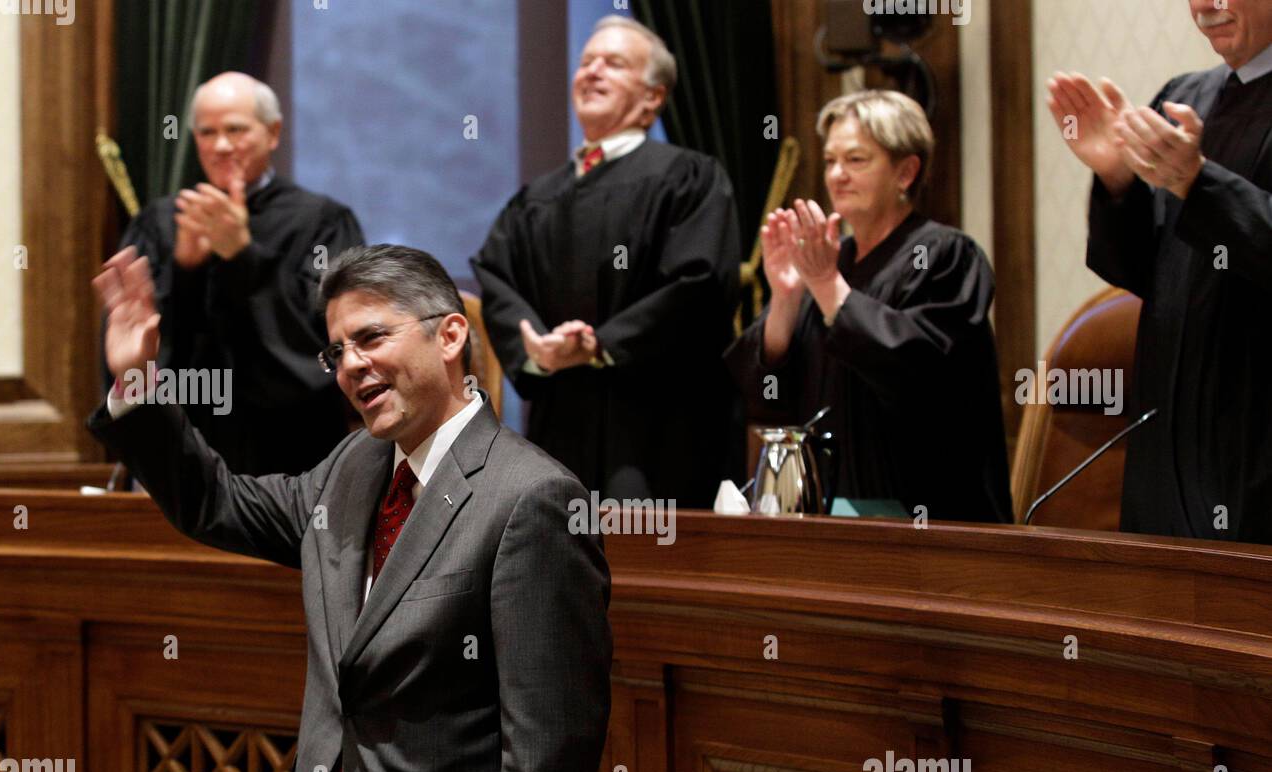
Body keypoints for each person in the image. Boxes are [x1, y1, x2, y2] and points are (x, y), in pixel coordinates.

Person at [88, 243, 612, 772]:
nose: (351, 366)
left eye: (371, 338)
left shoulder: (532, 498)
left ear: (448, 336)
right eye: (337, 351)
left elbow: (554, 738)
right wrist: (137, 384)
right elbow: (215, 502)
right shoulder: (353, 471)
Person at [472, 16, 742, 508]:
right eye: (586, 62)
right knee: (556, 564)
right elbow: (496, 274)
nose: (592, 72)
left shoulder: (689, 178)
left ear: (652, 98)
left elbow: (700, 284)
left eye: (613, 64)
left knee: (652, 571)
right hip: (560, 423)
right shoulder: (537, 197)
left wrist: (603, 345)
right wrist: (538, 345)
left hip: (658, 428)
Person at [725, 90, 1012, 524]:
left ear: (906, 172)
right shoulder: (827, 260)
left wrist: (826, 287)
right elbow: (766, 398)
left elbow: (919, 373)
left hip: (932, 523)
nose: (837, 175)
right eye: (829, 161)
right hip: (825, 517)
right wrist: (785, 299)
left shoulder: (947, 256)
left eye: (856, 160)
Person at [1048, 0, 1272, 544]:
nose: (1204, 5)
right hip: (1166, 450)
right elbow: (1140, 270)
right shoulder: (1183, 97)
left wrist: (1200, 183)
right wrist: (1117, 180)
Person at [102, 71, 365, 475]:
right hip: (191, 444)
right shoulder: (161, 222)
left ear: (273, 132)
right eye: (207, 133)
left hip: (295, 448)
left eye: (236, 130)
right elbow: (148, 354)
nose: (221, 146)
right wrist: (186, 271)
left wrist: (244, 257)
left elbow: (326, 345)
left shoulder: (322, 222)